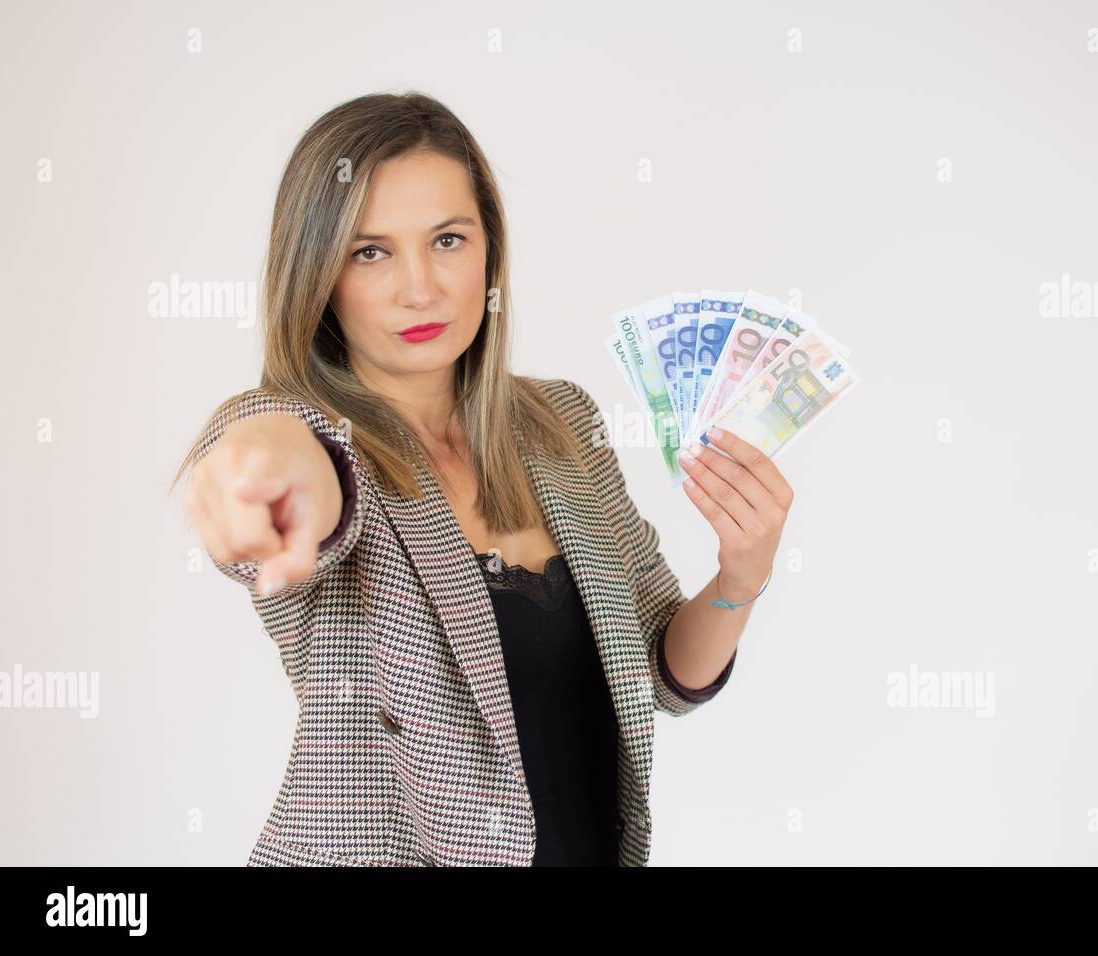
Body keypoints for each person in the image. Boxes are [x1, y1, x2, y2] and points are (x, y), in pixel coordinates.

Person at [170, 91, 793, 866]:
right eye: (371, 251)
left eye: (449, 240)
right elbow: (290, 458)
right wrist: (264, 465)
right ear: (319, 276)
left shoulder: (562, 422)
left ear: (490, 253)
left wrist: (744, 571)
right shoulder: (313, 438)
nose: (419, 287)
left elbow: (664, 671)